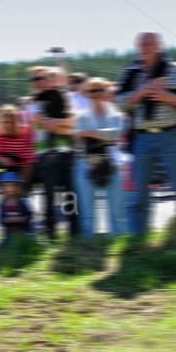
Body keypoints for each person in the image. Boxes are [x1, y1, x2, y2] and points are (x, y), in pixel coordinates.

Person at [115, 32, 176, 235]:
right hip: (142, 137)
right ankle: (139, 237)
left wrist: (169, 97)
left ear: (159, 46)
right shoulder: (131, 71)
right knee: (140, 191)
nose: (143, 48)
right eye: (140, 44)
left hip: (171, 135)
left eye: (148, 44)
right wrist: (140, 93)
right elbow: (118, 104)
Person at [72, 78, 126, 237]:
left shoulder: (117, 114)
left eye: (99, 90)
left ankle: (118, 244)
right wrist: (103, 135)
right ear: (86, 94)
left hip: (112, 164)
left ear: (105, 92)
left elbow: (115, 136)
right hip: (86, 164)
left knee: (117, 214)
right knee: (88, 215)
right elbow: (77, 139)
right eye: (92, 91)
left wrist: (87, 133)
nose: (96, 94)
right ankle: (90, 247)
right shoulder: (81, 116)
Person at [29, 67, 77, 240]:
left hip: (67, 152)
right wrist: (61, 124)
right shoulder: (32, 103)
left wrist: (55, 123)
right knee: (48, 197)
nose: (39, 82)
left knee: (70, 195)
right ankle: (51, 235)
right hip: (45, 154)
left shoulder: (65, 96)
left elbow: (74, 124)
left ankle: (74, 233)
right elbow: (41, 123)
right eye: (34, 80)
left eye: (42, 78)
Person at [0, 171, 33, 245]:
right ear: (2, 188)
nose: (9, 188)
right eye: (6, 186)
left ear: (18, 187)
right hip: (9, 235)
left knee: (25, 243)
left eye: (12, 185)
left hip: (23, 234)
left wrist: (22, 219)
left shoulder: (23, 202)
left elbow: (29, 216)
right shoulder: (2, 204)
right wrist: (7, 220)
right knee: (4, 245)